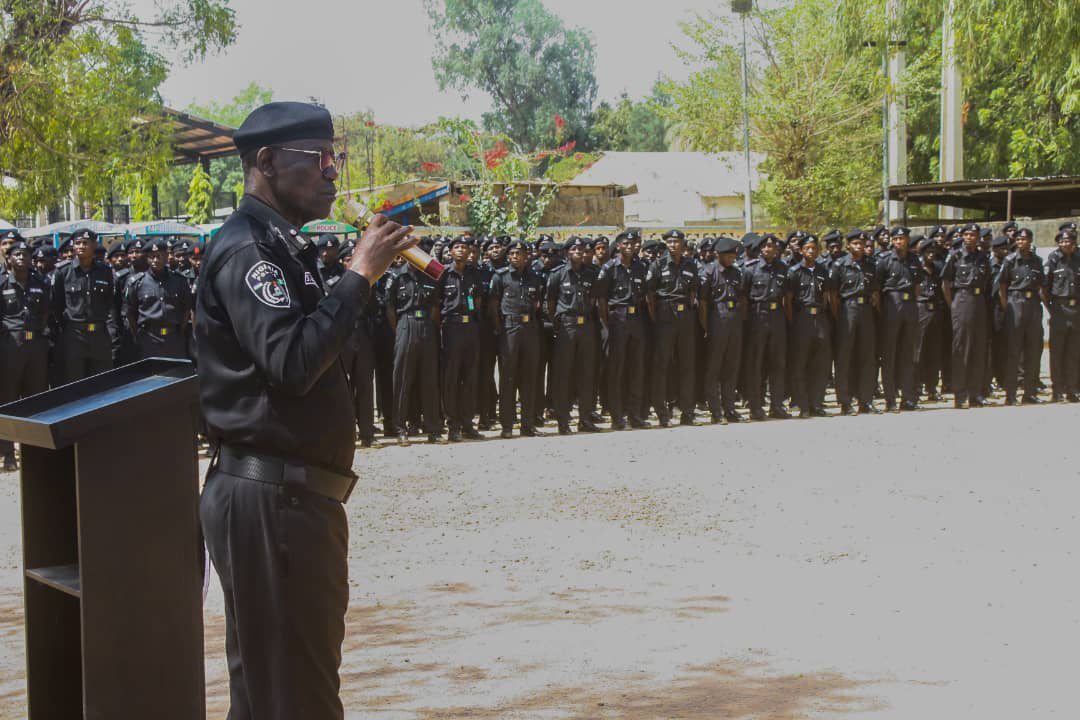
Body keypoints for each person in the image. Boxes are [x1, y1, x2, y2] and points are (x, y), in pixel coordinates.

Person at [196, 101, 416, 720]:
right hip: (273, 500)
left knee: (275, 693)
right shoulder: (250, 252)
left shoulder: (282, 247)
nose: (332, 173)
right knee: (297, 698)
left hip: (290, 499)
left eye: (335, 158)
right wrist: (360, 274)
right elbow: (292, 362)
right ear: (265, 162)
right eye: (316, 158)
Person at [0, 239, 49, 469]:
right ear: (8, 259)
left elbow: (48, 312)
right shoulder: (2, 283)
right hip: (11, 345)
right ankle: (8, 453)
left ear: (31, 259)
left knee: (35, 398)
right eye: (16, 254)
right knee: (8, 399)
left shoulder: (40, 282)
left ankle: (34, 452)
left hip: (35, 345)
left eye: (25, 254)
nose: (21, 258)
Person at [386, 250, 443, 445]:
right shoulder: (396, 276)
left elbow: (436, 306)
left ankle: (433, 429)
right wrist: (400, 331)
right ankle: (401, 428)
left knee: (429, 380)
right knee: (402, 379)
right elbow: (390, 308)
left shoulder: (429, 276)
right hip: (406, 323)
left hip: (426, 326)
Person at [488, 239, 543, 438]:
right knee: (508, 377)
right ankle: (507, 425)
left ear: (526, 256)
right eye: (512, 254)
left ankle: (527, 424)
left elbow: (538, 302)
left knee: (529, 377)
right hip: (509, 327)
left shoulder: (534, 278)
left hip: (530, 327)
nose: (516, 257)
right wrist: (498, 328)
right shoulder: (500, 277)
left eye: (520, 253)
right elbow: (493, 305)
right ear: (508, 256)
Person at [646, 229, 699, 426]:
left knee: (687, 365)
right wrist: (656, 318)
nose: (673, 245)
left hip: (685, 315)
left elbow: (693, 291)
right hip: (665, 316)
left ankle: (687, 412)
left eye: (677, 241)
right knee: (662, 365)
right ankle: (662, 413)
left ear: (683, 244)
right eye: (670, 242)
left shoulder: (690, 264)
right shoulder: (658, 265)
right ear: (666, 244)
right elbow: (650, 295)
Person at [547, 236, 599, 434]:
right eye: (574, 249)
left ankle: (585, 419)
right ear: (567, 252)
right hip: (567, 326)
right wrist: (558, 322)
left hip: (586, 325)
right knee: (564, 374)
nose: (579, 252)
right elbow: (551, 303)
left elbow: (594, 299)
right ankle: (563, 420)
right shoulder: (558, 274)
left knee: (586, 374)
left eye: (581, 249)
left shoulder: (591, 274)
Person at [50, 228, 114, 383]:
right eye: (77, 243)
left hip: (99, 334)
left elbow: (109, 302)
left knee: (102, 382)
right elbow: (56, 305)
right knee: (75, 382)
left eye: (85, 243)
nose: (80, 246)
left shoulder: (104, 271)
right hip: (74, 335)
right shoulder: (62, 272)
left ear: (93, 245)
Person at [437, 236, 484, 442]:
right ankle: (452, 425)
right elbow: (435, 307)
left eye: (464, 247)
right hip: (451, 327)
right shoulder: (442, 274)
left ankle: (467, 424)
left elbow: (479, 300)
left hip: (471, 327)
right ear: (450, 251)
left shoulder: (475, 274)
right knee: (452, 378)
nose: (461, 250)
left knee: (471, 377)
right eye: (457, 247)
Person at [829, 229, 879, 414]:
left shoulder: (870, 265)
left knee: (867, 356)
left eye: (862, 244)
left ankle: (865, 400)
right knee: (845, 357)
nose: (859, 247)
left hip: (866, 309)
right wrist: (839, 315)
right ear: (848, 245)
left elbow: (875, 292)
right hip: (847, 309)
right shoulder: (840, 265)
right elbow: (833, 295)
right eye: (856, 244)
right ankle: (845, 400)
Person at [942, 223, 992, 408]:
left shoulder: (982, 257)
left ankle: (975, 393)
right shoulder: (955, 256)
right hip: (962, 300)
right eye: (967, 234)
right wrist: (954, 306)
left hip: (979, 301)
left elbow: (987, 280)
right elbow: (946, 284)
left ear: (978, 237)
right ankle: (960, 394)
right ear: (963, 236)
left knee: (979, 348)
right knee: (962, 348)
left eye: (973, 235)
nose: (970, 237)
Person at [742, 234, 791, 420]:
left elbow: (787, 296)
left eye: (773, 246)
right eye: (766, 246)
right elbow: (744, 298)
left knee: (778, 363)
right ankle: (755, 406)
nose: (770, 249)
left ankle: (776, 405)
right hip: (758, 316)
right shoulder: (750, 269)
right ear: (761, 249)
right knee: (756, 364)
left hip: (777, 315)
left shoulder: (783, 268)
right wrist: (747, 323)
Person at [875, 226, 924, 412]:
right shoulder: (885, 260)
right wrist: (884, 312)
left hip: (909, 304)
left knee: (907, 354)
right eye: (895, 239)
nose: (899, 242)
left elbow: (918, 284)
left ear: (907, 240)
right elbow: (877, 290)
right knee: (889, 355)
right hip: (891, 305)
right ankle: (891, 399)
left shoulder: (914, 260)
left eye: (902, 239)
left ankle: (908, 398)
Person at [698, 235, 746, 424]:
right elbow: (702, 303)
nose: (732, 259)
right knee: (714, 368)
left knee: (731, 366)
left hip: (734, 320)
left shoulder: (736, 272)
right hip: (717, 318)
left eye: (734, 256)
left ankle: (730, 409)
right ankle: (716, 411)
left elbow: (742, 298)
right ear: (719, 255)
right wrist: (706, 327)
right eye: (729, 256)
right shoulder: (709, 271)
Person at [787, 235, 833, 418]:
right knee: (800, 363)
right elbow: (788, 301)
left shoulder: (823, 271)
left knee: (820, 364)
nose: (811, 251)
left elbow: (826, 297)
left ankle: (816, 403)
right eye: (808, 248)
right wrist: (794, 323)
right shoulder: (794, 272)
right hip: (802, 318)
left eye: (814, 248)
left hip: (820, 318)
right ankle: (803, 405)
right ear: (801, 250)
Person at [997, 227, 1044, 405]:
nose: (1021, 242)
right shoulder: (1009, 260)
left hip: (1033, 305)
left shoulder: (1037, 261)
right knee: (1013, 351)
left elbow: (1041, 285)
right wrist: (1006, 306)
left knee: (1033, 349)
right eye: (1019, 239)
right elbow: (1002, 285)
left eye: (1024, 239)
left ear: (1030, 241)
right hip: (1015, 302)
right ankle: (1011, 393)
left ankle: (1029, 392)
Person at [126, 237, 193, 359]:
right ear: (147, 259)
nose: (155, 260)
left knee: (177, 376)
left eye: (159, 256)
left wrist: (180, 332)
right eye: (152, 256)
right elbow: (131, 313)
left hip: (174, 338)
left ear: (167, 256)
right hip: (149, 339)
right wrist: (139, 336)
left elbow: (186, 309)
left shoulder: (179, 280)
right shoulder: (137, 283)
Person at [1043, 229, 1080, 402]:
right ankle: (1057, 390)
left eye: (1070, 241)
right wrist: (1051, 309)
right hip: (1059, 309)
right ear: (1059, 243)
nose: (1066, 244)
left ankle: (1072, 389)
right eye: (1063, 241)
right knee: (1057, 352)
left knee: (1074, 352)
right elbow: (1044, 288)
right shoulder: (1053, 259)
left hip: (1077, 310)